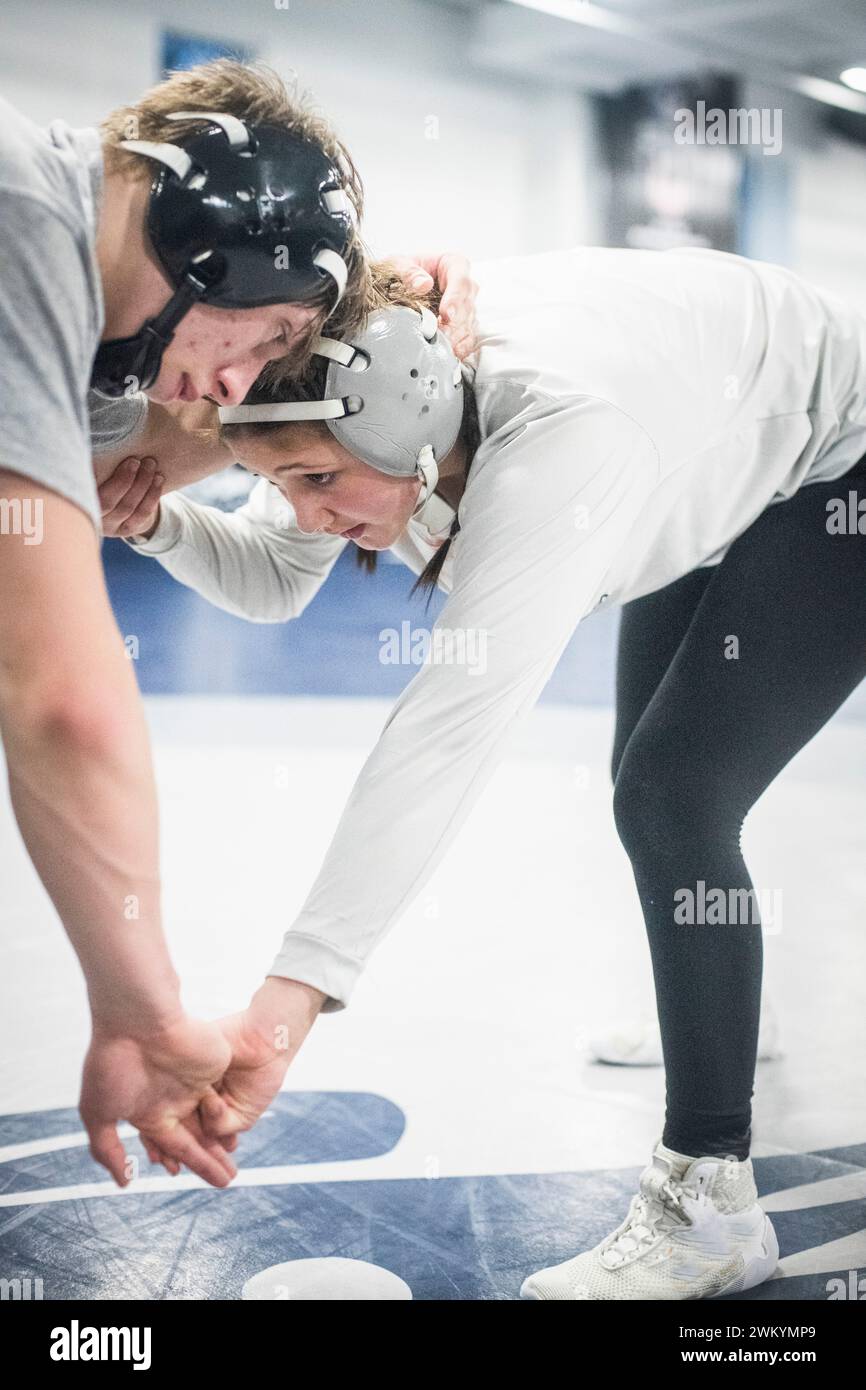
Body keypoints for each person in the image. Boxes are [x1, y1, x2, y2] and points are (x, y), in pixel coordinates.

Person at [100, 243, 866, 1300]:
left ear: (406, 433)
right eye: (281, 482)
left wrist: (287, 1003)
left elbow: (448, 732)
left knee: (672, 799)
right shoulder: (376, 381)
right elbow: (277, 576)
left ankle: (707, 1207)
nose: (308, 512)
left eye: (317, 481)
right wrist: (154, 520)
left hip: (838, 456)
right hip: (715, 417)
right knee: (649, 783)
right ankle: (729, 1005)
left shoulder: (559, 442)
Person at [0, 57, 477, 1190]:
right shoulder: (23, 224)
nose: (235, 386)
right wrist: (142, 1010)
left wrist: (386, 321)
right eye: (258, 340)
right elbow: (61, 696)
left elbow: (173, 446)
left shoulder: (114, 351)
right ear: (206, 252)